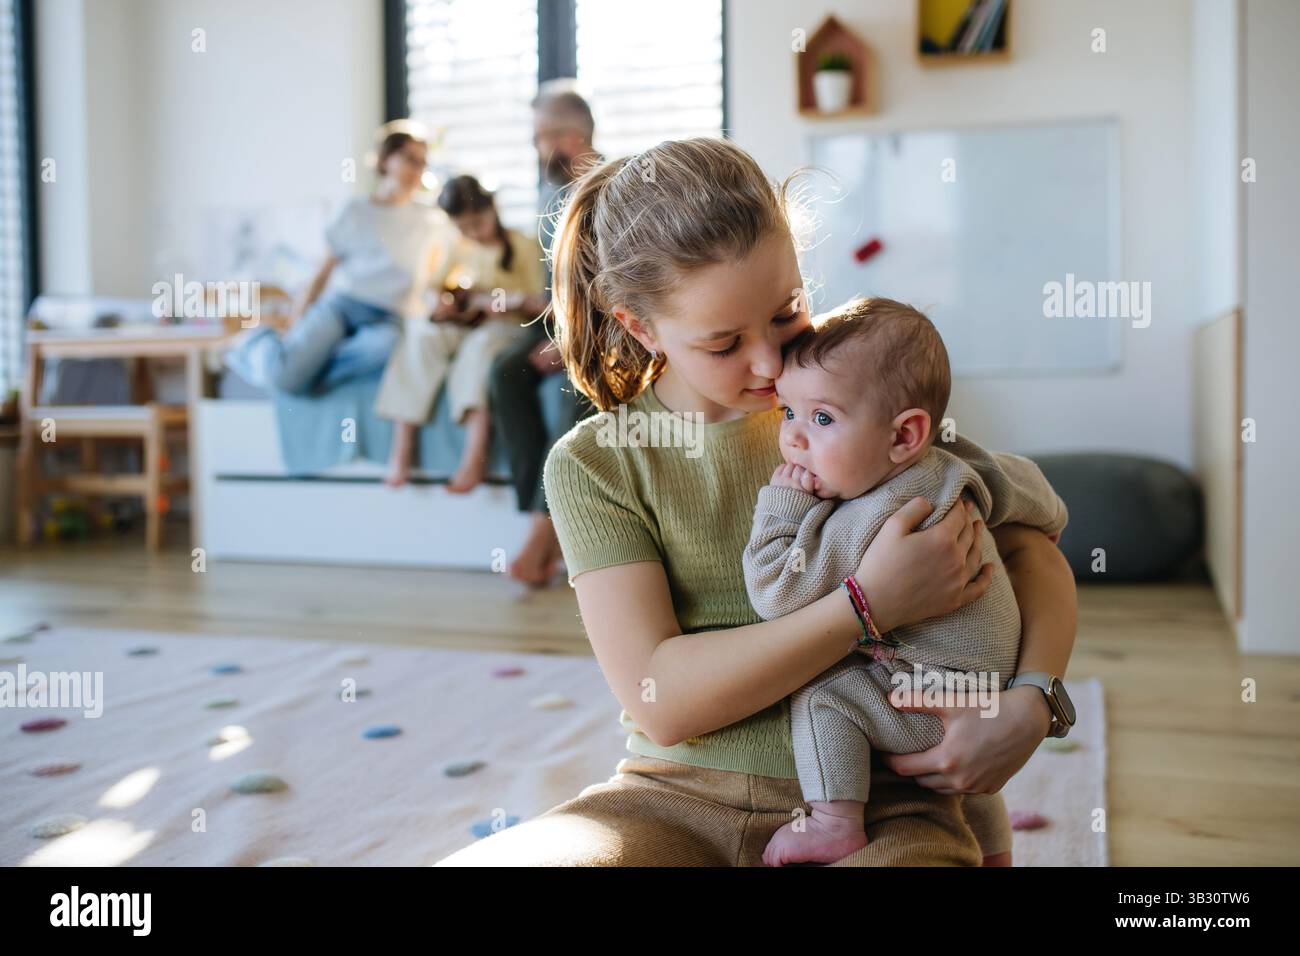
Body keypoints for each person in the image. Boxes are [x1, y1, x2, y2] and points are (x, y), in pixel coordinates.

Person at [434, 138, 1078, 866]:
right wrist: (865, 607)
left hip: (888, 801)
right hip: (672, 799)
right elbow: (663, 700)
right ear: (642, 327)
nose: (771, 364)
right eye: (724, 343)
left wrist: (1032, 700)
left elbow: (1035, 550)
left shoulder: (856, 403)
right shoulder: (595, 465)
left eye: (787, 312)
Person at [740, 297, 1069, 865]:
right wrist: (1052, 521)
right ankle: (993, 849)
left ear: (903, 436)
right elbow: (1029, 485)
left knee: (825, 695)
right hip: (986, 690)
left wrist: (784, 506)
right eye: (787, 412)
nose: (793, 438)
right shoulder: (953, 463)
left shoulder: (869, 517)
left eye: (822, 419)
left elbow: (775, 594)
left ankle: (832, 822)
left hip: (933, 700)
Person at [224, 121, 443, 395]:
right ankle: (258, 339)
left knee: (386, 349)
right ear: (386, 160)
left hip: (388, 317)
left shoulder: (431, 221)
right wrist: (296, 323)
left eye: (422, 163)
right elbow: (322, 275)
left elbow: (435, 277)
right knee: (285, 379)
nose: (417, 169)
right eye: (410, 159)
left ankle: (310, 372)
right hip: (342, 305)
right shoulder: (354, 211)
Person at [487, 80, 599, 585]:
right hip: (561, 315)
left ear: (571, 137)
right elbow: (553, 279)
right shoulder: (549, 189)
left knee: (576, 382)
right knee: (505, 369)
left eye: (542, 137)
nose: (536, 149)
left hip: (601, 322)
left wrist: (570, 338)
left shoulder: (606, 188)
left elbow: (612, 283)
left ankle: (542, 532)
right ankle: (540, 512)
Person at [374, 175, 547, 490]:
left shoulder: (523, 245)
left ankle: (475, 452)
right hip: (464, 321)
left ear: (492, 209)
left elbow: (540, 303)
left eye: (478, 223)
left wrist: (501, 301)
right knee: (422, 335)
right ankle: (402, 443)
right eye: (464, 227)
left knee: (479, 348)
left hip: (505, 325)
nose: (473, 233)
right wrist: (439, 301)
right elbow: (431, 287)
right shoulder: (455, 243)